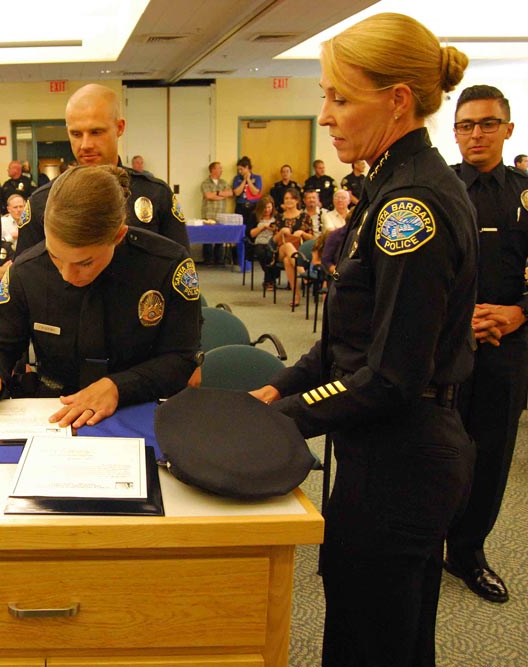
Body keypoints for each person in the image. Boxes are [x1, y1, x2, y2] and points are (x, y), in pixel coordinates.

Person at [250, 13, 476, 667]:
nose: (325, 114)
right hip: (383, 448)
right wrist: (279, 386)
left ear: (398, 99)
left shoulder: (413, 209)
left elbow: (389, 376)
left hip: (402, 459)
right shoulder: (392, 186)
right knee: (383, 631)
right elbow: (344, 341)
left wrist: (283, 420)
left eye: (339, 97)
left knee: (372, 642)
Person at [0, 165, 200, 428]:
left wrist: (118, 387)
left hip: (137, 407)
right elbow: (0, 343)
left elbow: (181, 358)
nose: (66, 275)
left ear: (118, 235)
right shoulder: (27, 271)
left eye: (85, 263)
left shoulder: (166, 266)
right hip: (55, 410)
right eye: (55, 258)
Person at [445, 84, 528, 605]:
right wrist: (459, 321)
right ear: (454, 132)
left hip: (509, 344)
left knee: (493, 454)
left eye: (487, 124)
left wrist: (520, 311)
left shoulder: (525, 193)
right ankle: (429, 543)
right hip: (445, 345)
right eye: (466, 125)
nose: (476, 134)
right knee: (440, 449)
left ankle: (469, 553)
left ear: (508, 129)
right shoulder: (438, 189)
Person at [18, 84, 188, 254]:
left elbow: (181, 266)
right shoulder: (44, 201)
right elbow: (25, 273)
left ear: (119, 127)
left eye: (96, 132)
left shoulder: (155, 195)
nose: (85, 145)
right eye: (76, 134)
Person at [201, 161, 233, 264]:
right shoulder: (205, 183)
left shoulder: (223, 182)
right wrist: (221, 196)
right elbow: (208, 196)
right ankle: (208, 260)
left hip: (221, 215)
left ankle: (219, 260)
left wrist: (217, 194)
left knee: (220, 237)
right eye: (219, 168)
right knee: (207, 238)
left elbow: (230, 193)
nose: (221, 170)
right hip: (208, 214)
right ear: (213, 170)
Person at [248, 196, 280, 288]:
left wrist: (274, 229)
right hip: (259, 242)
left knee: (272, 253)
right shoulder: (254, 216)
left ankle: (269, 279)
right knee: (261, 252)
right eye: (264, 208)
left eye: (269, 207)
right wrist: (263, 227)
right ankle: (270, 278)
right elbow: (251, 234)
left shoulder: (277, 216)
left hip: (273, 241)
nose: (267, 210)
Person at [233, 156, 262, 232]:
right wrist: (244, 180)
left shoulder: (257, 178)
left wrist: (248, 180)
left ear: (247, 167)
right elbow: (237, 193)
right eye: (238, 169)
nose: (239, 171)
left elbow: (255, 192)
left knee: (252, 228)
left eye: (241, 169)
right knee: (240, 230)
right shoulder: (237, 178)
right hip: (241, 207)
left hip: (253, 206)